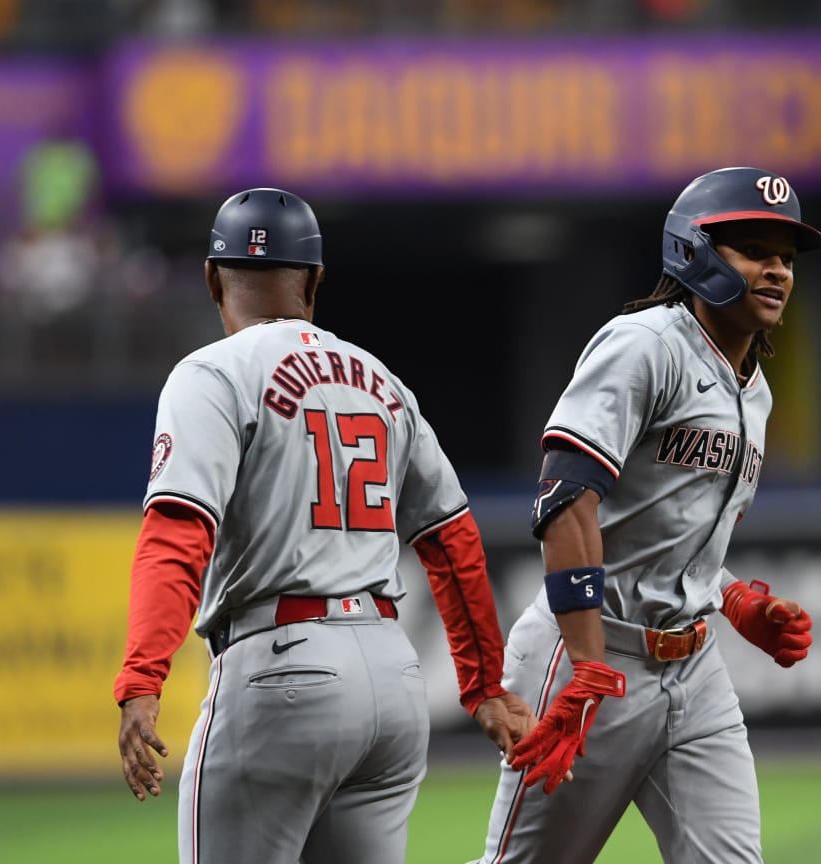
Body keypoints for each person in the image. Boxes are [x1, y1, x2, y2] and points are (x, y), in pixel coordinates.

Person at [113, 187, 534, 864]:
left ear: (211, 278)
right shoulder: (382, 380)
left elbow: (178, 533)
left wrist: (142, 677)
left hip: (281, 671)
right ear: (314, 280)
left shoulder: (211, 374)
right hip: (391, 678)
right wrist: (483, 685)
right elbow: (452, 539)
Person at [473, 166, 820, 863]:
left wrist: (730, 598)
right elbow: (567, 495)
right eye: (754, 249)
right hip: (596, 653)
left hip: (694, 668)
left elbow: (677, 538)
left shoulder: (755, 394)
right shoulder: (645, 344)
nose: (777, 270)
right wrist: (587, 667)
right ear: (694, 250)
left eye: (786, 257)